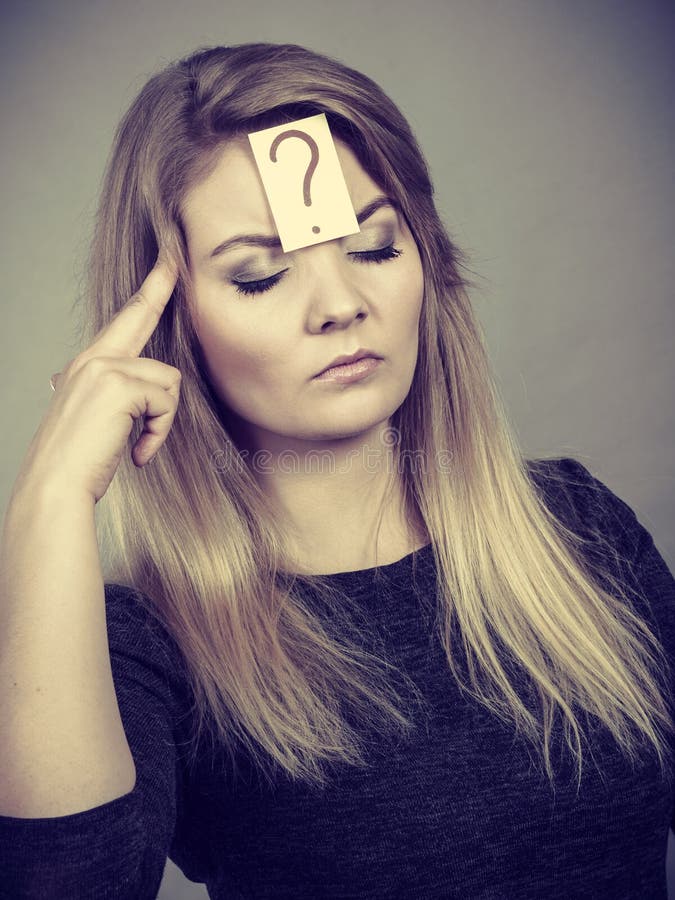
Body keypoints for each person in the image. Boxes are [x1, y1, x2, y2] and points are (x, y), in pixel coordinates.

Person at [0, 42, 673, 900]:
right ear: (169, 325)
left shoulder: (577, 528)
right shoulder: (149, 644)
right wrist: (49, 499)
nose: (341, 306)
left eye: (376, 248)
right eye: (261, 275)